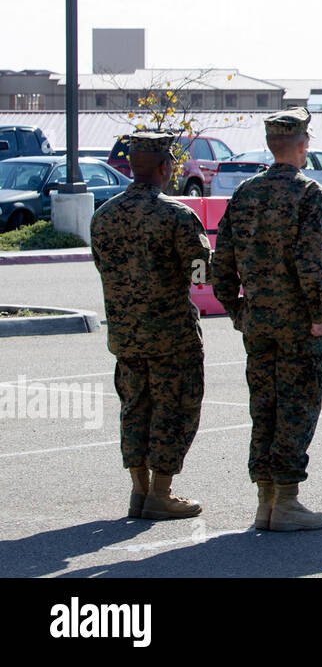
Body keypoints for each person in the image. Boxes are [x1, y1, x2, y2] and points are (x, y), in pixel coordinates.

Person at [213, 108, 322, 531]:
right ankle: (286, 501)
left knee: (264, 407)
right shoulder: (308, 193)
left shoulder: (245, 192)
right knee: (297, 407)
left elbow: (221, 261)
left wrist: (236, 310)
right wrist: (318, 314)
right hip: (299, 323)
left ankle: (265, 501)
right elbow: (312, 264)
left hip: (258, 321)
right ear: (303, 145)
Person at [90, 131, 210, 521]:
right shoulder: (176, 215)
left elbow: (103, 266)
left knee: (135, 408)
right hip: (171, 336)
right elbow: (199, 274)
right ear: (164, 167)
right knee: (174, 409)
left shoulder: (103, 217)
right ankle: (161, 492)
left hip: (125, 336)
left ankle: (139, 491)